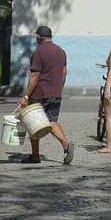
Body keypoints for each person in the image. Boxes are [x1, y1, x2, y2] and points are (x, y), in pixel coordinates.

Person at [19, 25, 73, 165]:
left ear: (38, 37)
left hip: (40, 93)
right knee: (51, 121)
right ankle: (65, 144)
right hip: (56, 92)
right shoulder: (61, 51)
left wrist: (26, 96)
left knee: (33, 123)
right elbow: (64, 72)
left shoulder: (38, 52)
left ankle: (35, 156)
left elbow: (35, 75)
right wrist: (58, 88)